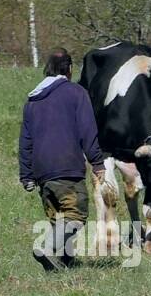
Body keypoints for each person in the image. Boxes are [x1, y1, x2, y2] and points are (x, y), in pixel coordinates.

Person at [19, 48, 105, 271]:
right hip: (66, 168)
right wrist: (97, 162)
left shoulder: (32, 101)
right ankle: (45, 248)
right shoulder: (76, 93)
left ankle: (63, 263)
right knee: (75, 215)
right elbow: (88, 130)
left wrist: (26, 175)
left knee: (59, 220)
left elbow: (25, 141)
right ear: (69, 69)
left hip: (42, 174)